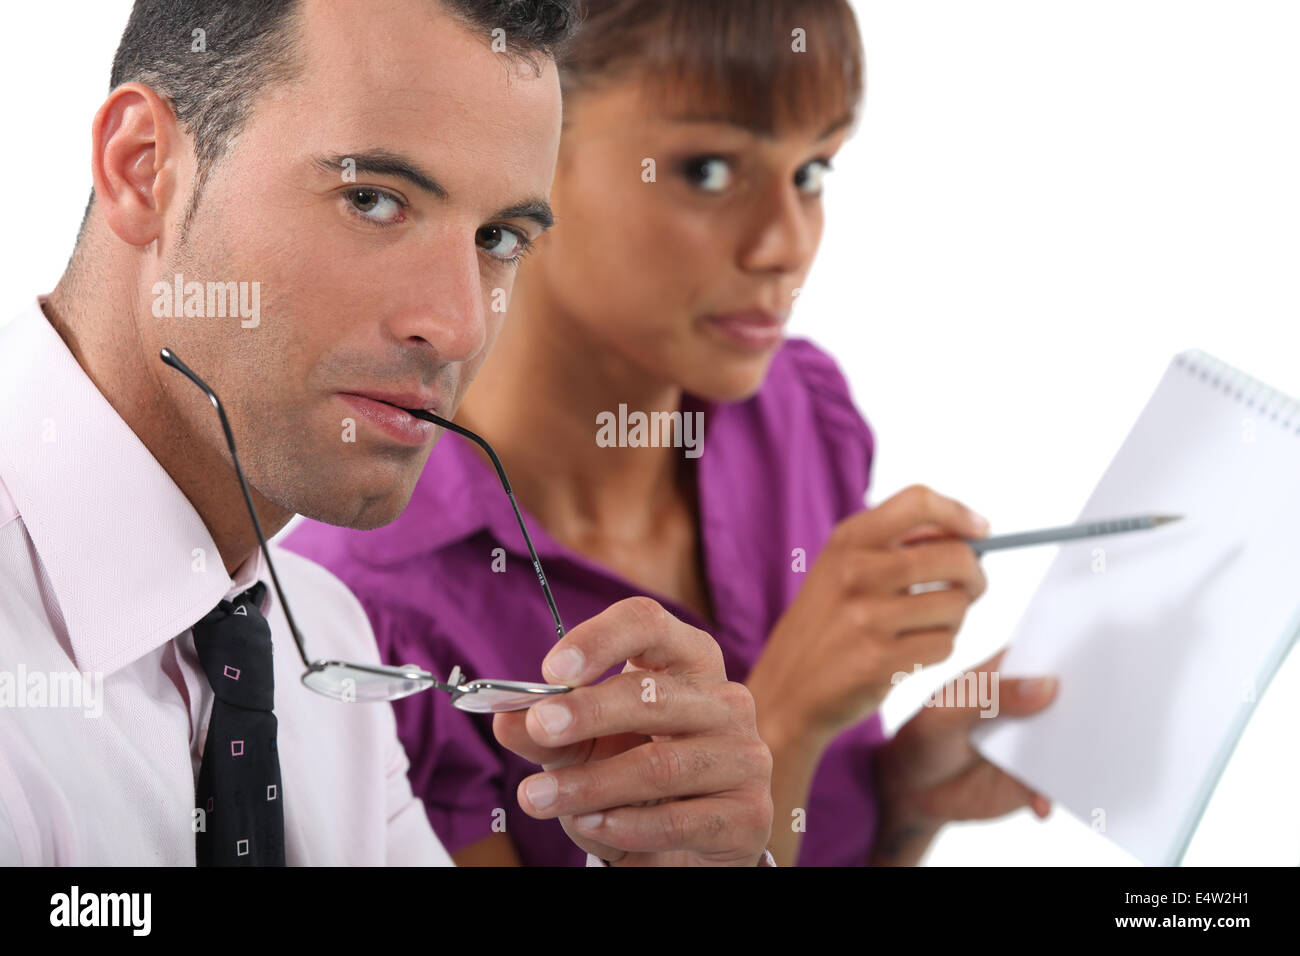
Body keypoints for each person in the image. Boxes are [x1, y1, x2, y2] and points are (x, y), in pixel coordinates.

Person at [0, 0, 775, 866]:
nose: (458, 327)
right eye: (372, 200)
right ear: (144, 169)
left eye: (499, 237)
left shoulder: (323, 648)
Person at [286, 0, 1059, 867]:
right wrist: (786, 721)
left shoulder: (798, 415)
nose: (785, 245)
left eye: (812, 171)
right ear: (526, 144)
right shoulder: (364, 611)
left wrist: (903, 806)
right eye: (709, 171)